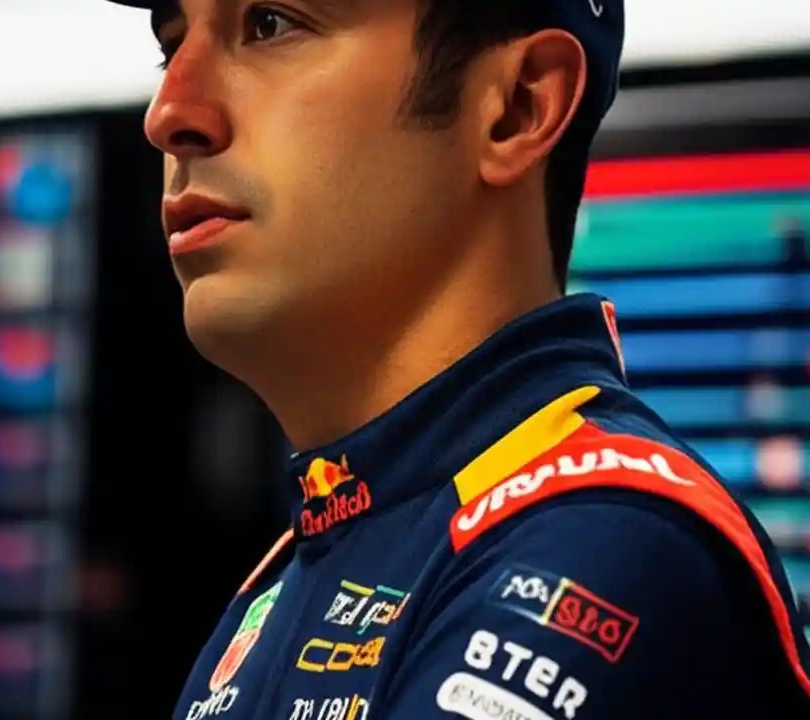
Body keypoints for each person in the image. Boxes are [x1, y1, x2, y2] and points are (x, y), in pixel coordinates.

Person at [105, 0, 810, 718]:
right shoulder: (299, 566)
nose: (169, 113)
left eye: (270, 24)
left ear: (517, 107)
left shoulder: (607, 543)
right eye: (171, 45)